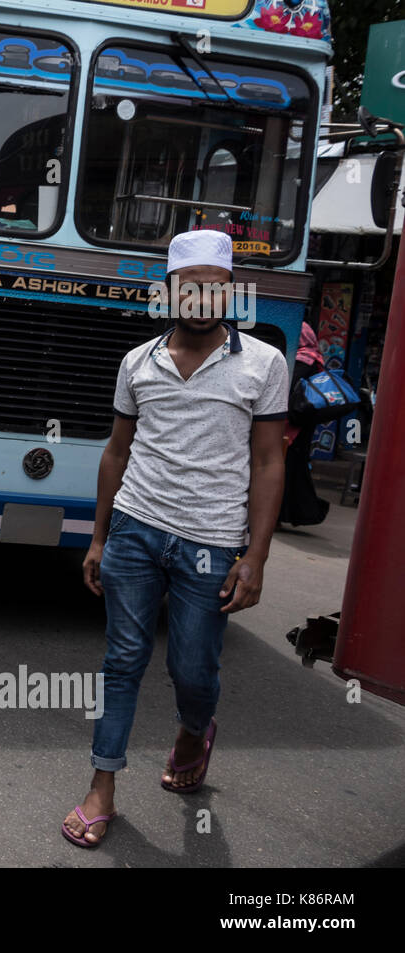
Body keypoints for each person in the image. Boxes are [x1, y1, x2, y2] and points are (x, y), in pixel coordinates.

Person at [62, 229, 288, 849]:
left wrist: (257, 556)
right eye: (190, 287)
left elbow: (269, 463)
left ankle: (194, 729)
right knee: (123, 659)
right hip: (135, 529)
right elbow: (117, 451)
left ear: (231, 295)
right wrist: (100, 537)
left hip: (211, 544)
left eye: (216, 288)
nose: (203, 298)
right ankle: (102, 783)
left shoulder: (265, 364)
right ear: (169, 291)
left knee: (193, 666)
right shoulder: (138, 361)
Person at [278, 322, 330, 527]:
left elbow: (289, 386)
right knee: (293, 468)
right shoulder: (313, 357)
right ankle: (297, 512)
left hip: (294, 422)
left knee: (288, 468)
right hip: (302, 420)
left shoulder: (303, 360)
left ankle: (293, 512)